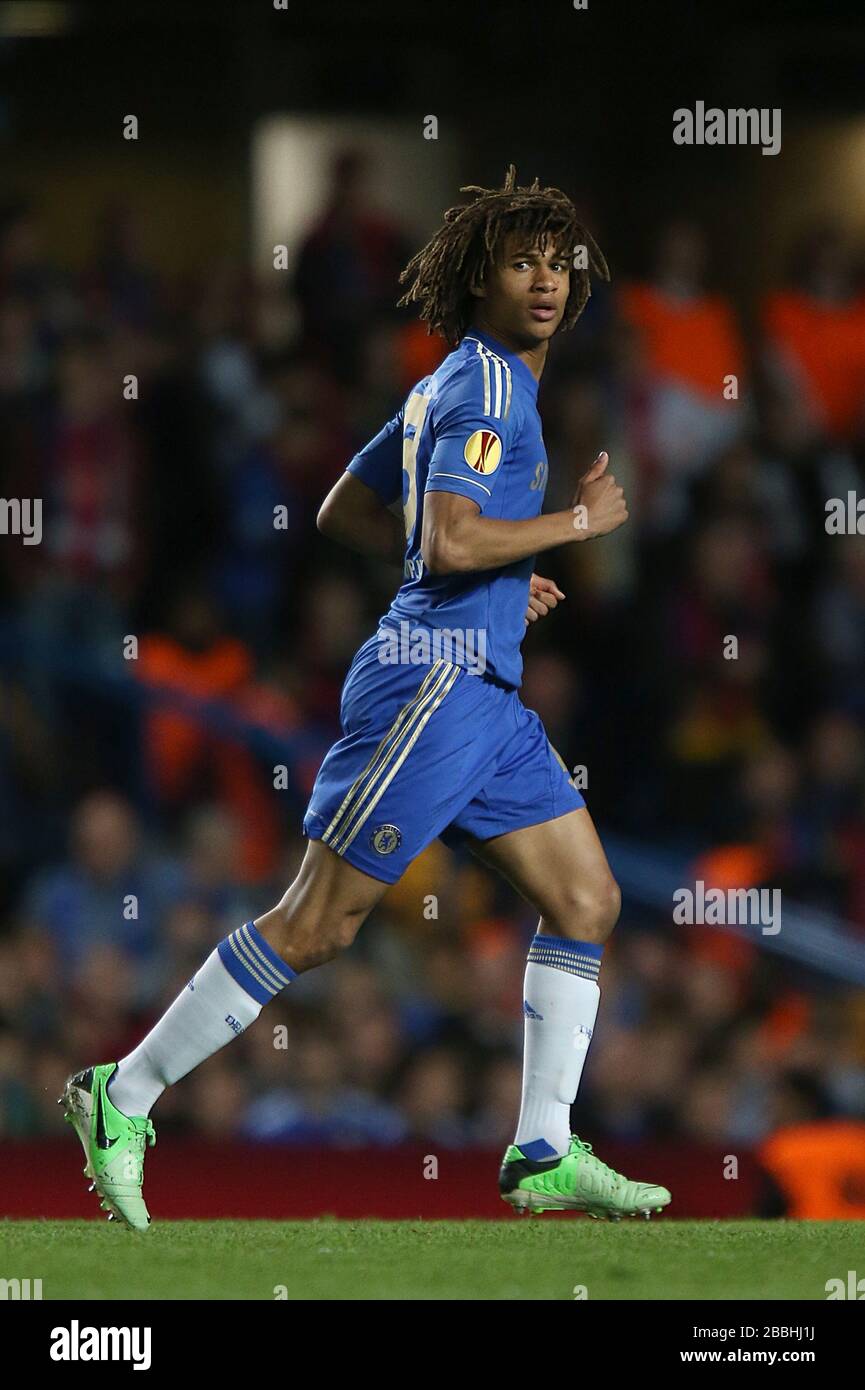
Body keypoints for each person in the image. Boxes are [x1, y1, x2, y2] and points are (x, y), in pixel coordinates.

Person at [62, 166, 671, 1228]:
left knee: (585, 898)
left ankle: (541, 1147)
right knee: (318, 925)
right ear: (479, 280)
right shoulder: (485, 387)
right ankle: (124, 1093)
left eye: (557, 264)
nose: (544, 280)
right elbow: (443, 535)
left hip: (481, 693)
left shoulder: (457, 385)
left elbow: (351, 505)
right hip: (432, 687)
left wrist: (484, 580)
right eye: (520, 262)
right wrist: (570, 527)